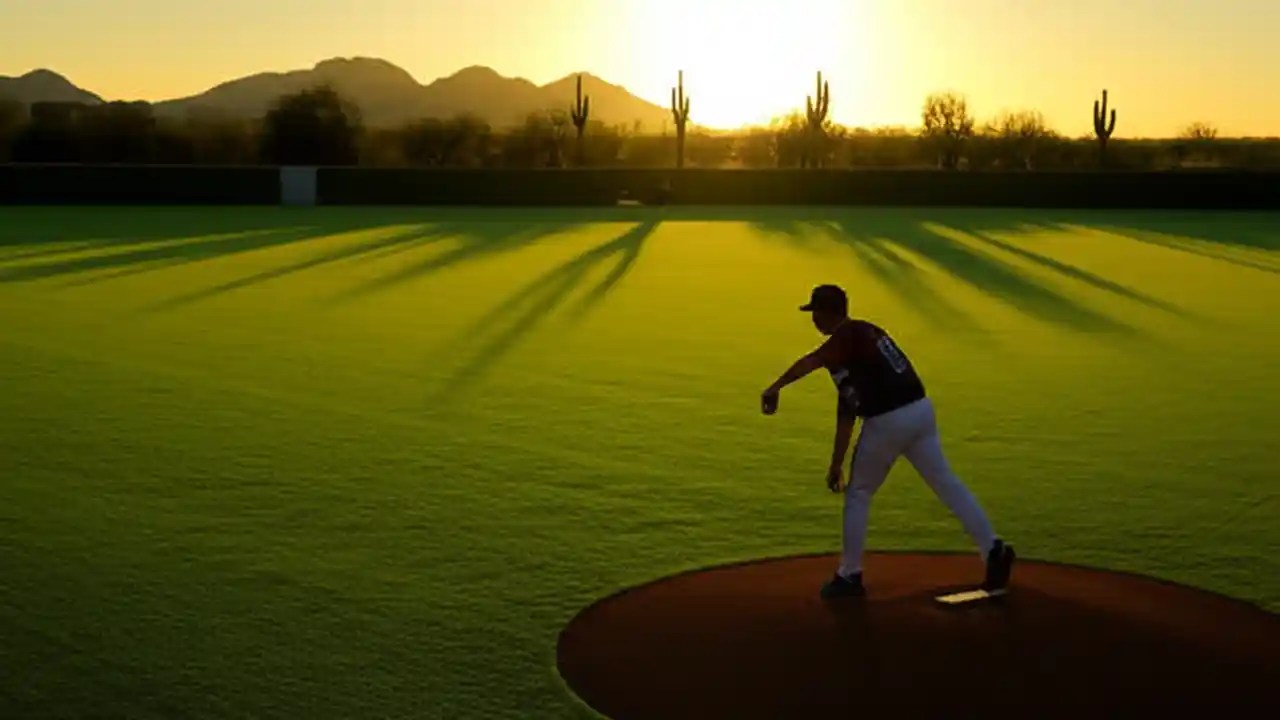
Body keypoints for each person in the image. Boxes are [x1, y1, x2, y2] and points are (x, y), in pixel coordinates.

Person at [760, 284, 1015, 599]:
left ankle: (849, 575)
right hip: (921, 413)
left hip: (889, 420)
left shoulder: (846, 337)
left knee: (859, 493)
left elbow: (811, 362)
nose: (813, 319)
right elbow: (847, 411)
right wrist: (836, 463)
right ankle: (993, 548)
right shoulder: (867, 333)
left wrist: (775, 387)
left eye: (815, 312)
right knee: (946, 482)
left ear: (829, 312)